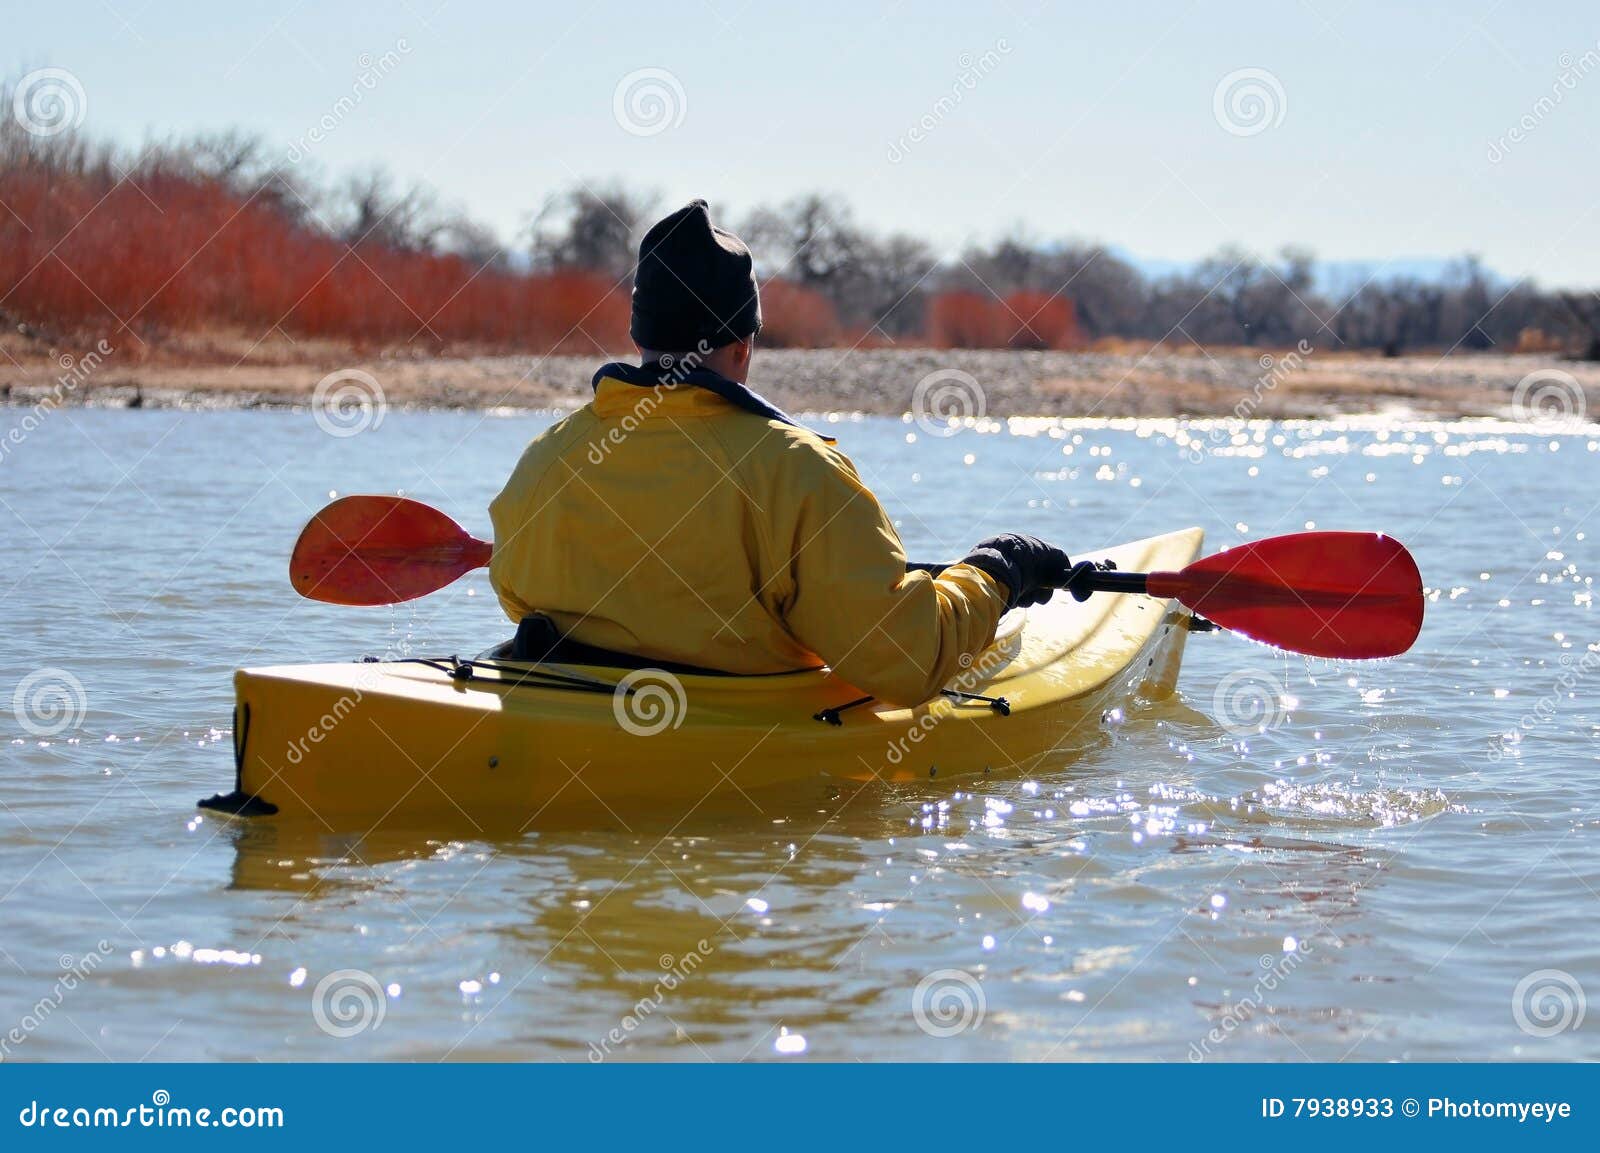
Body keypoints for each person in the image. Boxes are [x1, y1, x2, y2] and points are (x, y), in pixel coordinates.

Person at [488, 199, 1071, 707]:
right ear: (743, 346)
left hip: (567, 718)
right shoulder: (798, 472)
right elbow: (906, 662)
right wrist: (995, 574)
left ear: (640, 336)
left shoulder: (549, 456)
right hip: (724, 745)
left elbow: (515, 595)